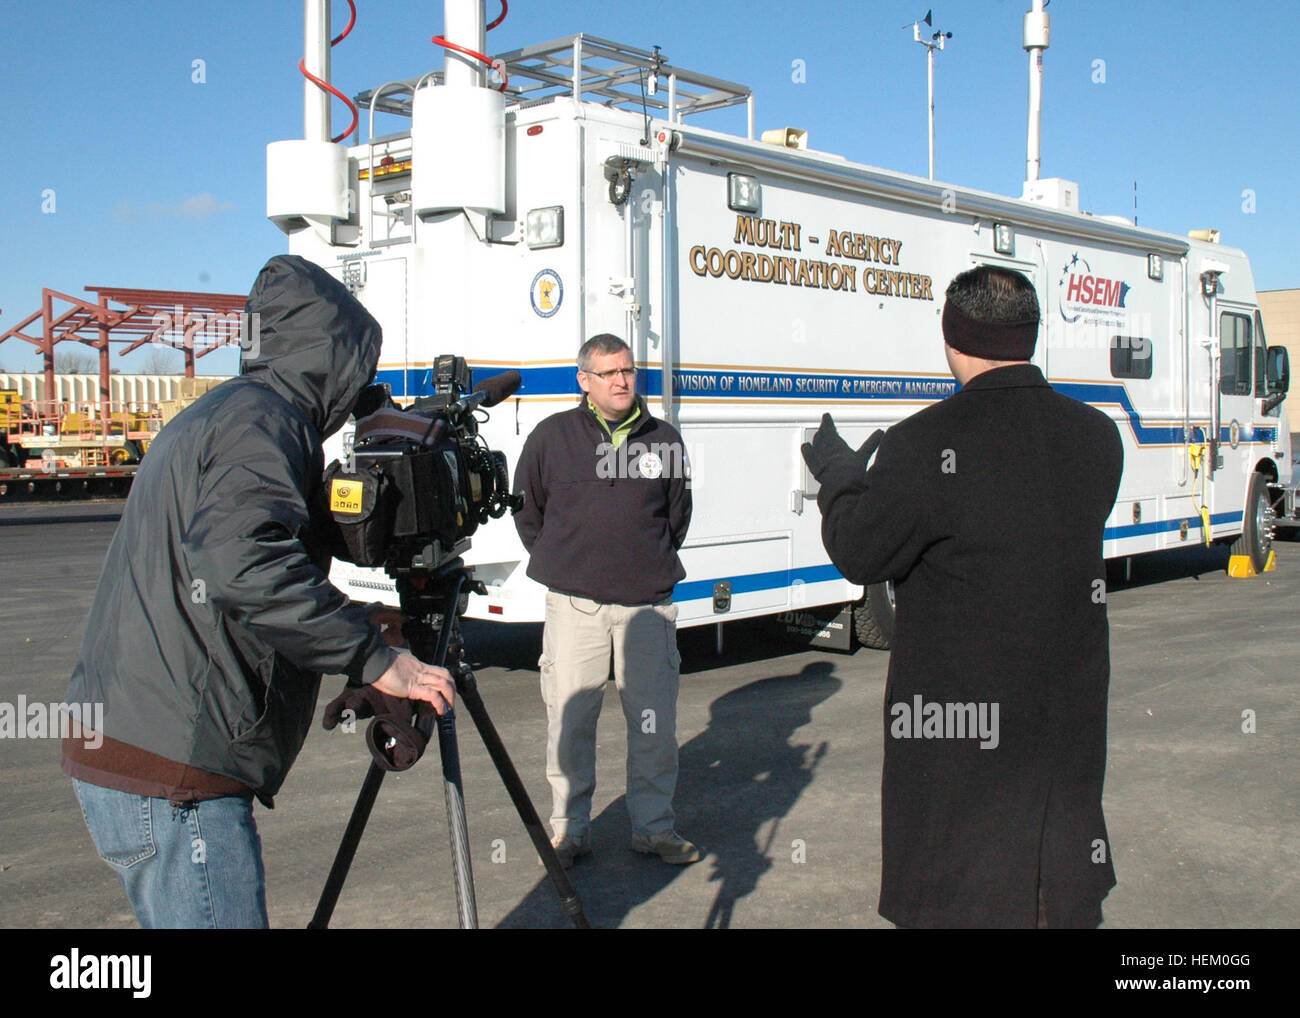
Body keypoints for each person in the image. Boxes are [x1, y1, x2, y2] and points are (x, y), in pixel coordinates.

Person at [63, 255, 455, 928]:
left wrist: (352, 628)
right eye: (355, 365)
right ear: (328, 353)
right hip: (174, 770)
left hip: (143, 748)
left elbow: (225, 588)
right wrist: (376, 659)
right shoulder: (264, 423)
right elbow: (242, 564)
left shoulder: (229, 412)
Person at [802, 265, 1123, 928]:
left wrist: (838, 476)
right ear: (1031, 335)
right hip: (1064, 750)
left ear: (950, 336)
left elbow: (862, 553)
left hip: (963, 763)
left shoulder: (923, 443)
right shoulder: (1097, 437)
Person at [512, 334, 698, 867]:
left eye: (628, 371)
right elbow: (529, 512)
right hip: (576, 608)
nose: (621, 381)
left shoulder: (663, 440)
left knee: (654, 725)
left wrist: (640, 559)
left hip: (647, 607)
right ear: (584, 380)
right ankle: (570, 832)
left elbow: (676, 516)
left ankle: (655, 829)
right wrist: (569, 562)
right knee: (570, 723)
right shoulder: (551, 438)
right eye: (609, 373)